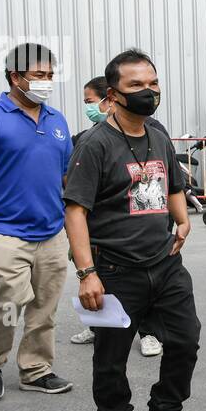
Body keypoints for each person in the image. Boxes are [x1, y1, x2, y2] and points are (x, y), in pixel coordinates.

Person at [63, 49, 201, 411]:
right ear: (113, 94)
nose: (148, 92)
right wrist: (87, 272)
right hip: (115, 270)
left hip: (165, 263)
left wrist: (182, 220)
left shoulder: (157, 134)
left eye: (153, 83)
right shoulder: (94, 144)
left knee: (186, 341)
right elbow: (75, 212)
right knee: (111, 358)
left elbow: (171, 182)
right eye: (136, 85)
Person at [0, 43, 74, 401]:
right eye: (39, 75)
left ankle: (36, 369)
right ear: (15, 77)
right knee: (8, 301)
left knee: (45, 305)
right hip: (5, 230)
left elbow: (67, 175)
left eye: (50, 75)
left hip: (52, 230)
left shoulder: (56, 120)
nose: (46, 82)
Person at [68, 76, 164, 358]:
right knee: (97, 280)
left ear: (109, 99)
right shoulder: (95, 137)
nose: (88, 107)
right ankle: (99, 327)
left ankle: (148, 332)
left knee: (146, 285)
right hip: (101, 230)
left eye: (89, 101)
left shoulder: (149, 131)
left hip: (141, 228)